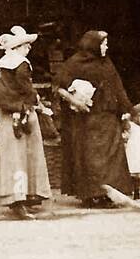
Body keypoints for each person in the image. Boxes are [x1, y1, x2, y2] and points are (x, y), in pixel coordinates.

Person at [55, 28, 132, 205]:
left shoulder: (107, 63)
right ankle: (90, 195)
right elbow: (59, 87)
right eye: (103, 44)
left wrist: (125, 109)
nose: (106, 47)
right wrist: (75, 100)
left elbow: (118, 87)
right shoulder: (74, 63)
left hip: (108, 118)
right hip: (86, 119)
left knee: (111, 157)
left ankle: (107, 194)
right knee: (89, 158)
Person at [0, 26, 52, 220]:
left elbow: (0, 92)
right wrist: (39, 103)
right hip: (22, 114)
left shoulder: (2, 67)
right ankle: (21, 199)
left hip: (8, 115)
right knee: (22, 156)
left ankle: (19, 196)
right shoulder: (21, 65)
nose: (28, 48)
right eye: (26, 45)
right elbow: (27, 89)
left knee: (15, 158)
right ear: (19, 47)